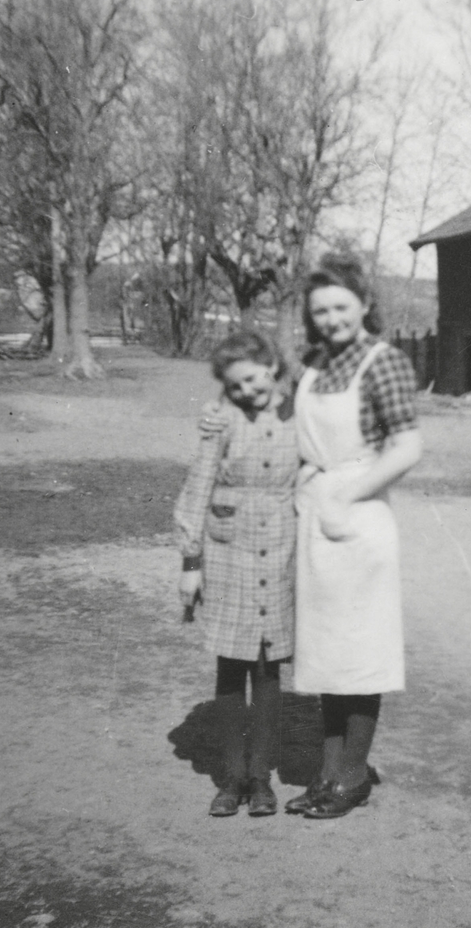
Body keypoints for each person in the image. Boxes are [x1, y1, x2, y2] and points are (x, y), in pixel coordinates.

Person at [285, 253, 423, 820]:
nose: (331, 319)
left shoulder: (383, 362)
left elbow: (408, 446)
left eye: (341, 306)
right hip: (316, 513)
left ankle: (351, 778)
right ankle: (329, 774)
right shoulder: (315, 365)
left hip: (359, 519)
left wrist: (351, 492)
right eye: (320, 311)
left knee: (358, 653)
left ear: (364, 303)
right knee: (324, 652)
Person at [174, 330, 299, 817]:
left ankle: (261, 778)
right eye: (235, 385)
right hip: (229, 554)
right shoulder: (221, 419)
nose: (246, 391)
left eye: (251, 378)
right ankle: (231, 777)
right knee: (231, 666)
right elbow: (197, 486)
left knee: (269, 670)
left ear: (270, 365)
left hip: (280, 549)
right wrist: (191, 564)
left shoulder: (297, 412)